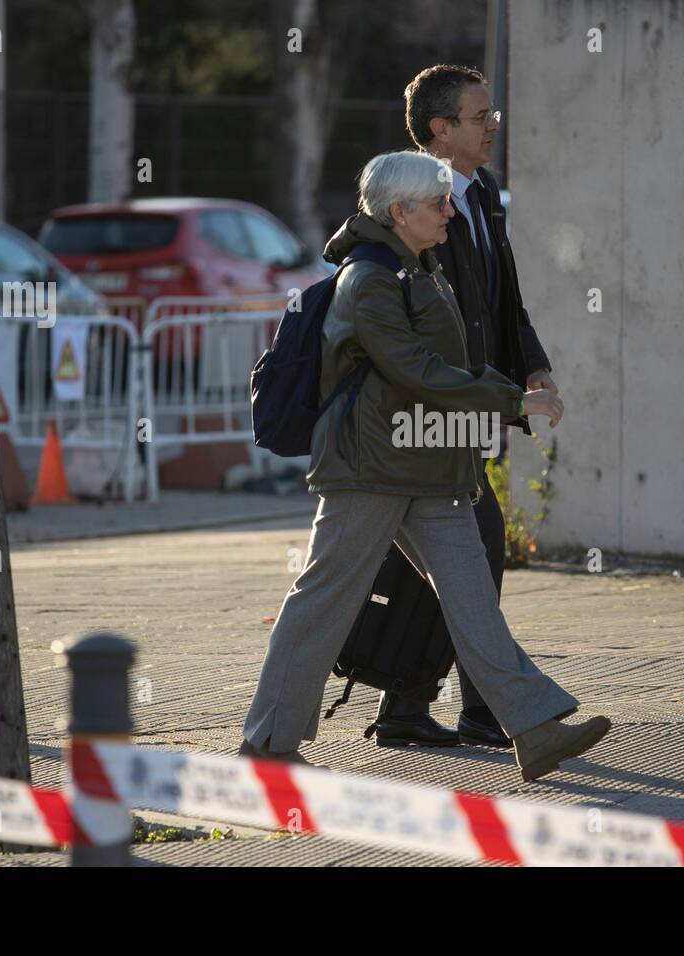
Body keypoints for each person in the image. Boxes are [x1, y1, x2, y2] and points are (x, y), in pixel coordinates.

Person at [238, 150, 609, 782]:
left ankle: (536, 730)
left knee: (472, 603)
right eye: (437, 203)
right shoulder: (371, 278)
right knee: (323, 600)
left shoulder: (420, 265)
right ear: (399, 211)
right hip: (372, 465)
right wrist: (512, 399)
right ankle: (269, 745)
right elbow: (413, 368)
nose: (448, 211)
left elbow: (444, 366)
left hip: (432, 465)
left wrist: (502, 400)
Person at [367, 65, 558, 749]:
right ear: (441, 129)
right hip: (426, 414)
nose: (494, 127)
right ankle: (485, 707)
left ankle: (405, 706)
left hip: (468, 409)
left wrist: (533, 366)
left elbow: (503, 299)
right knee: (470, 548)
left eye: (493, 114)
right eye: (482, 118)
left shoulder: (484, 195)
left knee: (438, 560)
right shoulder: (408, 203)